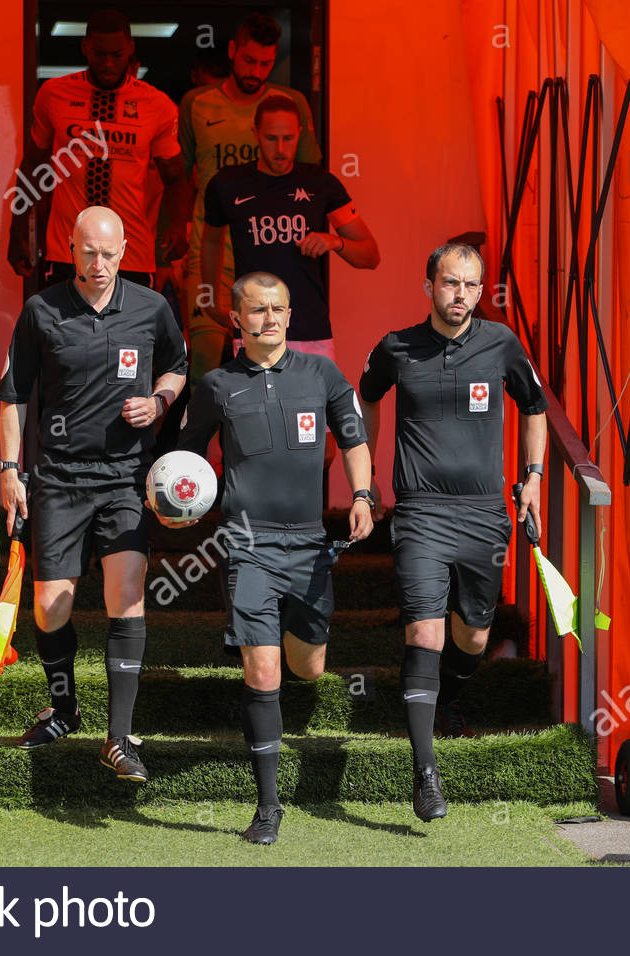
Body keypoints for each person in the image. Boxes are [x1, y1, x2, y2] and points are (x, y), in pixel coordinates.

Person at [159, 271, 374, 844]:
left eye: (279, 308)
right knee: (263, 669)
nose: (271, 319)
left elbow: (354, 439)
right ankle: (268, 807)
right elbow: (186, 458)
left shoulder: (322, 374)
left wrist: (361, 495)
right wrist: (170, 500)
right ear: (237, 318)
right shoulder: (216, 385)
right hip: (245, 543)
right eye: (258, 310)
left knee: (310, 667)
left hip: (308, 546)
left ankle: (291, 648)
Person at [358, 243, 547, 822]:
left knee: (473, 638)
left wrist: (533, 477)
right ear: (429, 286)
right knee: (425, 633)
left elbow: (535, 407)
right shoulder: (396, 346)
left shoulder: (502, 344)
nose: (460, 294)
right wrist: (367, 484)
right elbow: (365, 401)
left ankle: (451, 697)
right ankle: (425, 773)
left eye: (471, 284)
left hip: (485, 514)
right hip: (419, 512)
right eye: (450, 283)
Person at [0, 206, 187, 782]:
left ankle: (120, 737)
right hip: (57, 476)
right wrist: (9, 468)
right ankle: (63, 707)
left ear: (125, 249)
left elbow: (179, 367)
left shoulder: (153, 308)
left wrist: (157, 402)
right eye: (87, 251)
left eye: (108, 252)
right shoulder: (41, 310)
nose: (98, 263)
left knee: (127, 597)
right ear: (70, 248)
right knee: (50, 606)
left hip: (126, 476)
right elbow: (13, 395)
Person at [179, 13, 322, 383]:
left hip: (268, 254)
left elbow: (312, 181)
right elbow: (180, 178)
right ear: (232, 51)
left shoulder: (290, 104)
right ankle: (197, 443)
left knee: (266, 363)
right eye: (248, 60)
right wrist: (173, 239)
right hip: (210, 255)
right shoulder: (197, 104)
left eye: (265, 63)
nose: (256, 71)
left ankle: (248, 442)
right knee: (206, 359)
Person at [7, 8, 188, 288]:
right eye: (99, 54)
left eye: (116, 55)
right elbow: (33, 165)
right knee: (65, 333)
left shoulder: (157, 104)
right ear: (85, 47)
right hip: (68, 251)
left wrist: (178, 227)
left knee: (129, 333)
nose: (107, 64)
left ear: (130, 49)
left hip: (131, 254)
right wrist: (18, 228)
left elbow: (174, 175)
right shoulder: (54, 95)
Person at [201, 94, 379, 360]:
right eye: (271, 139)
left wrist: (335, 242)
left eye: (288, 139)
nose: (281, 149)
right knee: (254, 402)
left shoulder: (320, 183)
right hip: (253, 330)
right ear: (256, 134)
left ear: (299, 134)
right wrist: (212, 299)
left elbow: (370, 255)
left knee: (311, 403)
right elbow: (211, 241)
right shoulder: (227, 184)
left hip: (310, 331)